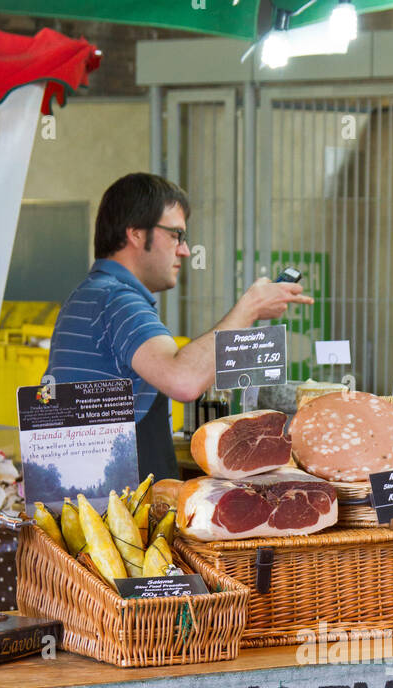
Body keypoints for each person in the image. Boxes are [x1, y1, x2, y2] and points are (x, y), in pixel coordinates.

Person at [48, 172, 313, 480]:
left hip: (90, 489)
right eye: (176, 235)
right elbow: (184, 380)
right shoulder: (116, 299)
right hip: (110, 504)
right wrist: (249, 308)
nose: (185, 251)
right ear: (135, 234)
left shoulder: (93, 294)